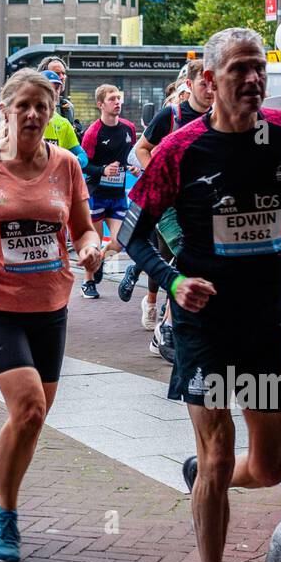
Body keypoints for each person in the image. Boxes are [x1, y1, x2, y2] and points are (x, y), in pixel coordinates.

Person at [123, 27, 281, 562]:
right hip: (206, 322)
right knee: (217, 455)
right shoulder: (179, 150)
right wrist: (172, 282)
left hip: (267, 319)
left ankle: (200, 477)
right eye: (240, 68)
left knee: (268, 468)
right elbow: (133, 235)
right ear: (210, 80)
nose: (253, 78)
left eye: (259, 67)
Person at [0, 68, 102, 562]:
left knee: (31, 418)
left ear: (52, 114)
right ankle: (6, 515)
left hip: (51, 304)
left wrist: (91, 249)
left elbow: (82, 229)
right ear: (5, 110)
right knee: (28, 407)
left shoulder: (67, 165)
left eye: (42, 107)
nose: (32, 114)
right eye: (23, 105)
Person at [123, 58, 213, 354]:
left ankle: (166, 323)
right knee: (186, 254)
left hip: (203, 205)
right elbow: (140, 149)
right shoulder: (171, 115)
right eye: (203, 83)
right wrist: (160, 181)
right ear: (189, 84)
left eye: (215, 83)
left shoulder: (221, 117)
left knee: (194, 261)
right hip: (170, 206)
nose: (211, 89)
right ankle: (166, 327)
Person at [78, 85, 137, 299]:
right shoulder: (93, 133)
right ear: (100, 104)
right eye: (112, 99)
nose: (117, 102)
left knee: (120, 242)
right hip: (96, 194)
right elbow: (84, 165)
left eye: (118, 98)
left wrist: (134, 167)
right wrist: (103, 170)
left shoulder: (128, 128)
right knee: (93, 241)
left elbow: (133, 156)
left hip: (118, 194)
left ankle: (100, 260)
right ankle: (88, 282)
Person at [41, 72, 88, 167]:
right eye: (47, 88)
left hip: (54, 180)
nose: (53, 92)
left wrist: (74, 161)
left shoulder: (64, 123)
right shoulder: (21, 118)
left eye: (57, 88)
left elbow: (83, 156)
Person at [37, 55, 80, 135]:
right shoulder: (32, 105)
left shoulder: (68, 106)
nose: (61, 77)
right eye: (56, 73)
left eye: (63, 73)